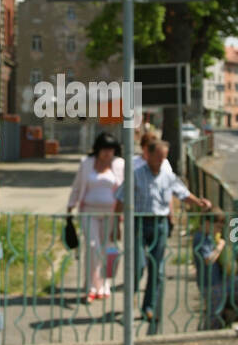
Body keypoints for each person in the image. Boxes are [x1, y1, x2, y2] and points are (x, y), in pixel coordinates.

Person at [114, 139, 211, 333]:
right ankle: (128, 306)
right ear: (148, 155)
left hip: (160, 223)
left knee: (157, 269)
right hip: (139, 223)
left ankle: (149, 306)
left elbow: (182, 193)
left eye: (163, 158)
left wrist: (199, 203)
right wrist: (116, 223)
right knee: (137, 265)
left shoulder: (168, 176)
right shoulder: (135, 174)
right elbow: (120, 199)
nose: (160, 162)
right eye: (157, 157)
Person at [67, 131, 125, 301]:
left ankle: (105, 283)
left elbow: (124, 189)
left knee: (109, 249)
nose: (108, 153)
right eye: (105, 149)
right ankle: (91, 286)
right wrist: (70, 206)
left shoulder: (119, 164)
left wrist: (121, 215)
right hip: (89, 212)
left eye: (111, 150)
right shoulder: (86, 164)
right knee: (93, 247)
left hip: (111, 213)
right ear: (98, 149)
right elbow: (77, 186)